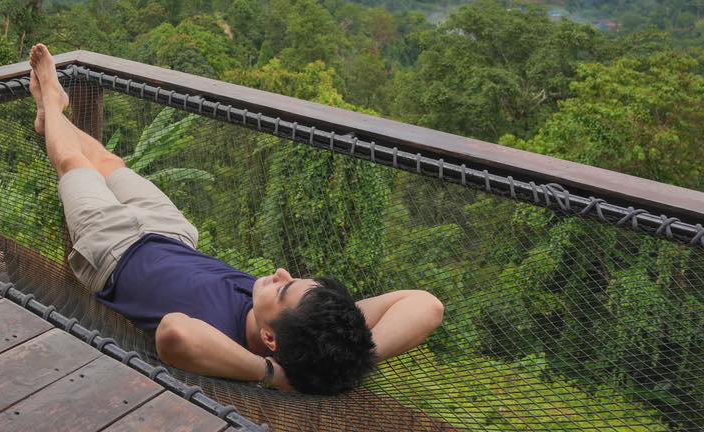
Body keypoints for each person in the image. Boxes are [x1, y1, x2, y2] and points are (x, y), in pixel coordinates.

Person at [27, 43, 443, 395]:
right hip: (171, 236)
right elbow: (426, 305)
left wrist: (268, 374)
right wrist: (354, 361)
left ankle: (52, 103)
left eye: (282, 290)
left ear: (268, 339)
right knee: (106, 160)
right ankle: (55, 116)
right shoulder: (313, 330)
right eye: (293, 280)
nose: (280, 273)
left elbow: (173, 333)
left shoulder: (228, 344)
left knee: (71, 160)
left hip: (113, 252)